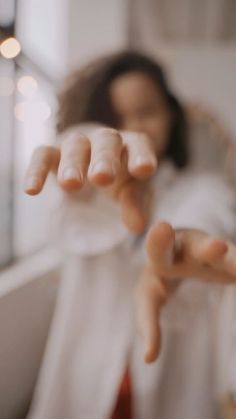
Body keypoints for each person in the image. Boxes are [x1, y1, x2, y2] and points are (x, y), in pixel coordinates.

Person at [24, 51, 236, 419]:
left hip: (171, 377)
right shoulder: (84, 190)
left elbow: (210, 217)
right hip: (87, 372)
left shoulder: (204, 187)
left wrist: (182, 241)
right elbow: (72, 219)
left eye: (147, 111)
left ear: (171, 113)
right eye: (116, 118)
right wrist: (89, 150)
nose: (133, 127)